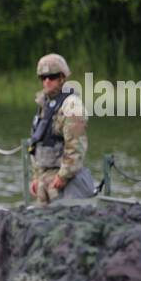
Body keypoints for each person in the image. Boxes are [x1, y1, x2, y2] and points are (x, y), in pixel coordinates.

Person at [28, 53, 91, 204]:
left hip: (63, 182)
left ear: (62, 78)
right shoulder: (44, 105)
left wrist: (63, 175)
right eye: (43, 78)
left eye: (52, 76)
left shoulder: (71, 105)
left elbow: (75, 146)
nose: (47, 81)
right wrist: (36, 176)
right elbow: (37, 143)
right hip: (45, 179)